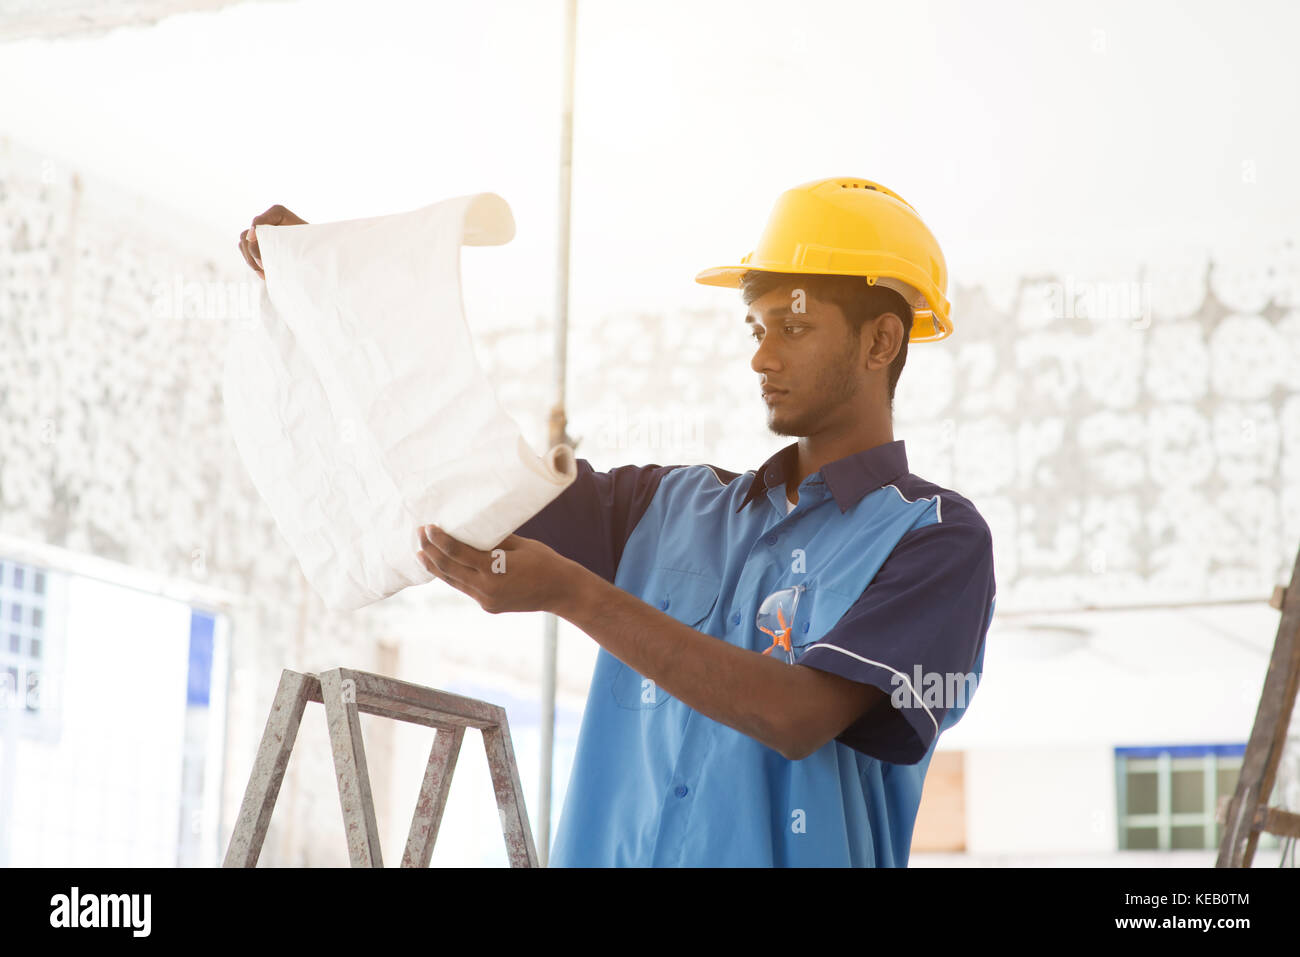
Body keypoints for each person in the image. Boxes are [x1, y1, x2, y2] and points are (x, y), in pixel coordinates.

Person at [239, 177, 996, 867]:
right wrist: (333, 289)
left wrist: (575, 593)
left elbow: (795, 714)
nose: (761, 356)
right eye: (754, 328)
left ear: (881, 340)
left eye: (792, 329)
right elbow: (471, 478)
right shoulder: (666, 507)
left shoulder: (934, 539)